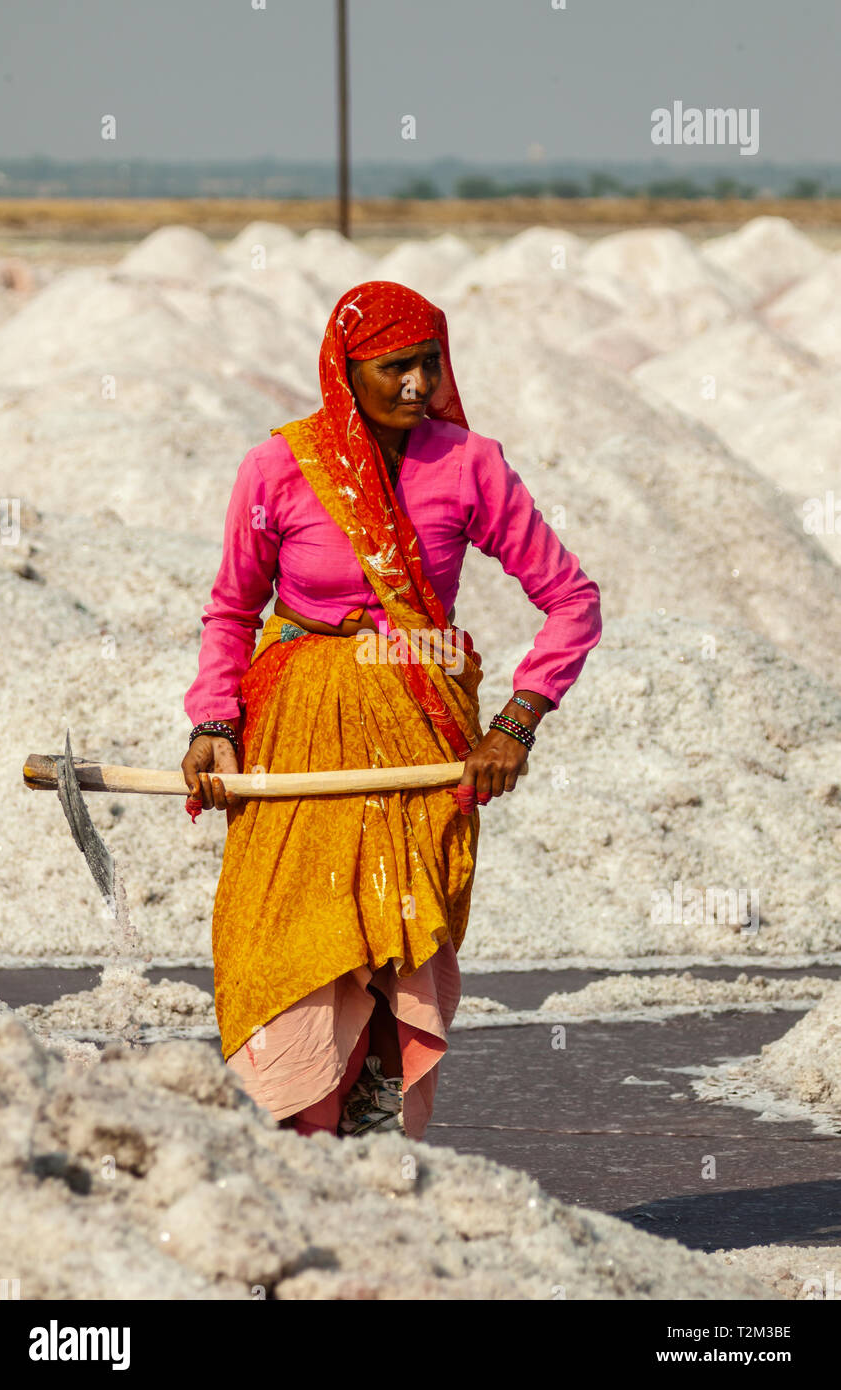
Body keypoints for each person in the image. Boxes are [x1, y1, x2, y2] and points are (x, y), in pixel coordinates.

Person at [181, 279, 602, 1141]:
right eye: (393, 367)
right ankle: (294, 1157)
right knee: (287, 950)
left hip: (422, 748)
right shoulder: (279, 468)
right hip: (296, 751)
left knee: (391, 957)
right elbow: (231, 611)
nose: (416, 385)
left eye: (429, 364)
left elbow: (573, 600)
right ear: (345, 370)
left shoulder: (470, 463)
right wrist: (212, 725)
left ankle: (375, 1184)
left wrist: (515, 724)